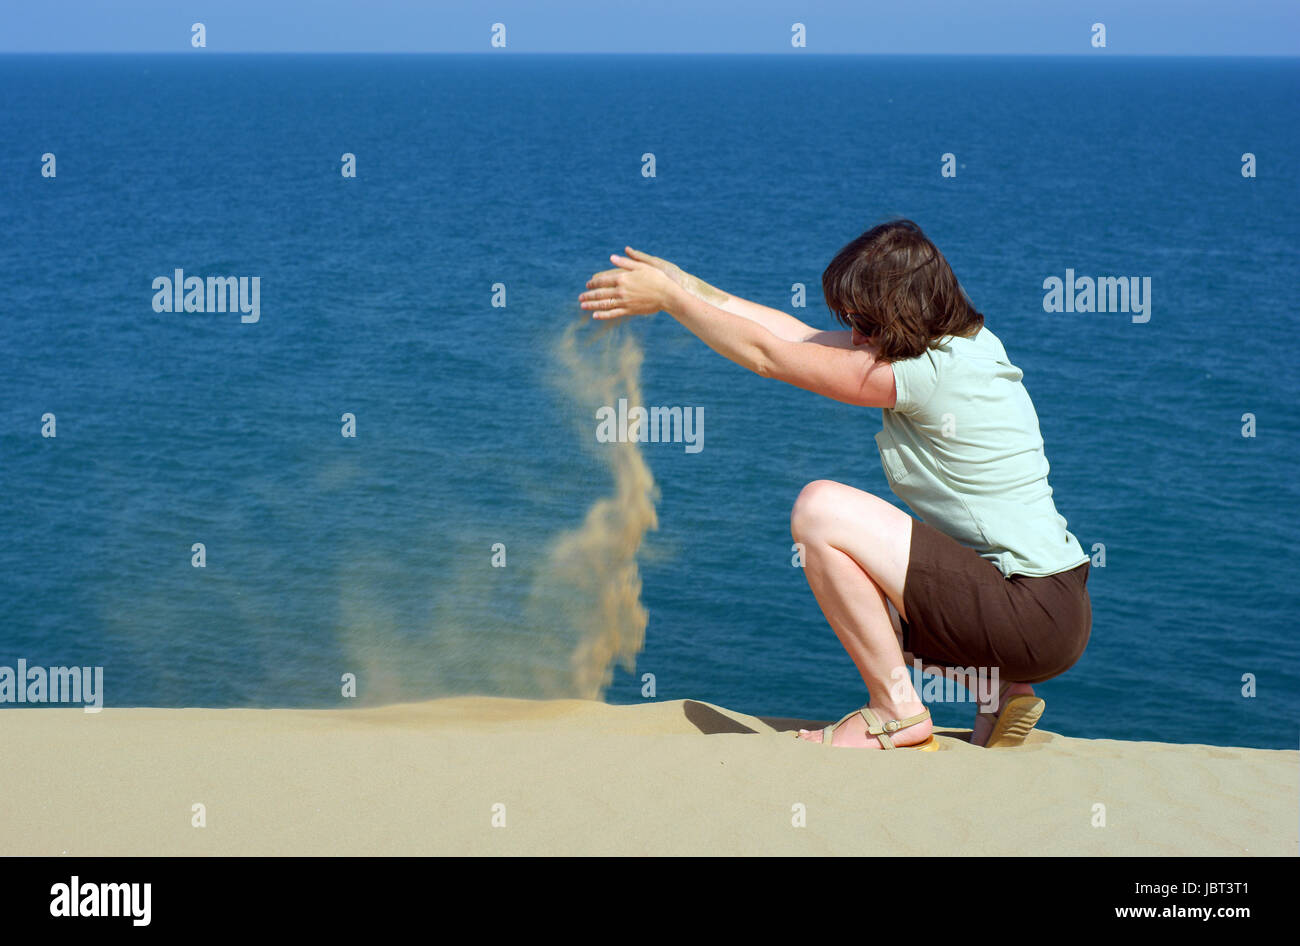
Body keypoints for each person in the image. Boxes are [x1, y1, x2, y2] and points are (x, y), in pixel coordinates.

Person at [578, 219, 1091, 750]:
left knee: (820, 511)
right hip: (1056, 607)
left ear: (900, 312)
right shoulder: (967, 345)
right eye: (849, 321)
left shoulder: (917, 374)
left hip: (1025, 612)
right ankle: (997, 690)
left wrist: (670, 301)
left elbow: (769, 356)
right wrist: (684, 284)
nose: (855, 336)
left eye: (863, 321)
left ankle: (896, 710)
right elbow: (793, 336)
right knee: (868, 594)